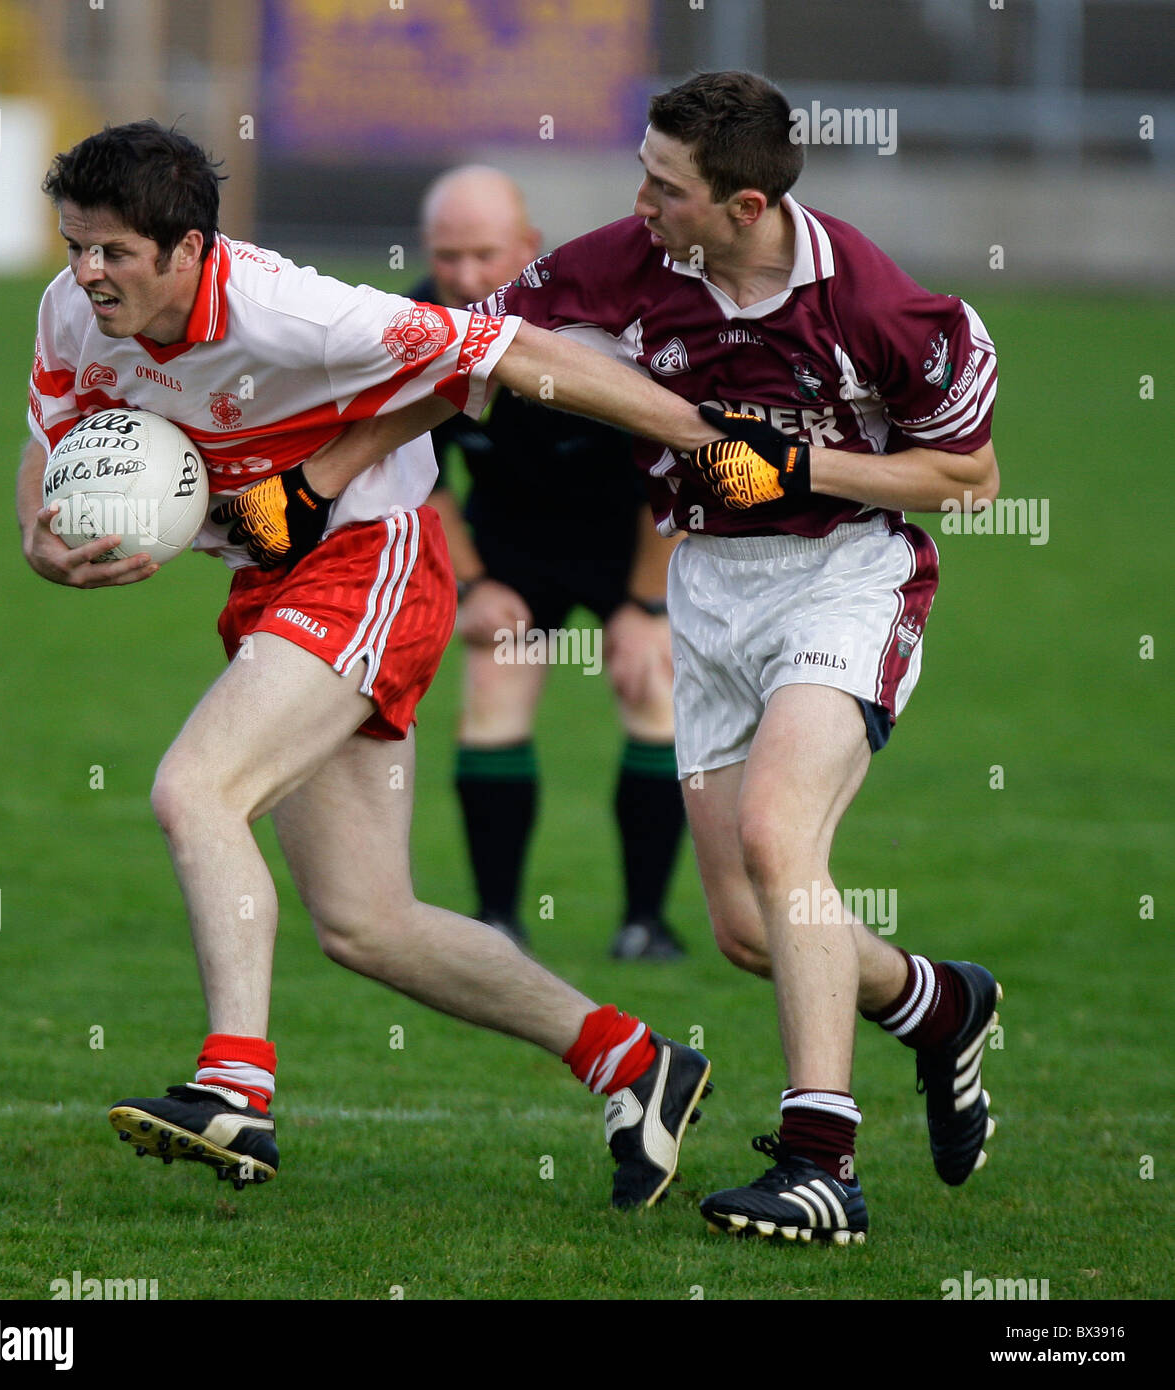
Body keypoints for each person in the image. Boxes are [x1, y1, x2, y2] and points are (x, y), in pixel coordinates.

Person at [17, 120, 726, 1210]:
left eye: (112, 250)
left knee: (194, 789)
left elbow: (510, 354)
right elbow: (50, 432)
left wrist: (700, 438)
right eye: (75, 245)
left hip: (372, 557)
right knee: (364, 921)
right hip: (275, 581)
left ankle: (233, 1091)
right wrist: (39, 533)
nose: (87, 272)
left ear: (190, 248)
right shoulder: (72, 310)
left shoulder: (291, 309)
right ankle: (637, 1062)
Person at [463, 72, 1004, 1244]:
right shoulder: (626, 259)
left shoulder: (868, 301)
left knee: (777, 836)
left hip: (844, 576)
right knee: (748, 928)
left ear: (744, 204)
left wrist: (795, 470)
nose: (638, 199)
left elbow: (968, 479)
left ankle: (821, 1166)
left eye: (664, 185)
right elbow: (490, 341)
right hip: (708, 592)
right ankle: (937, 1004)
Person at [414, 165, 686, 958]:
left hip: (627, 537)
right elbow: (423, 479)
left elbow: (670, 474)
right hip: (509, 546)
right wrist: (470, 585)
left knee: (652, 688)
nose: (463, 277)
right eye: (446, 256)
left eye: (484, 256)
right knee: (491, 694)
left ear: (529, 248)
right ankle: (496, 922)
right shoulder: (418, 324)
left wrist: (644, 611)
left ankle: (645, 925)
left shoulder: (598, 327)